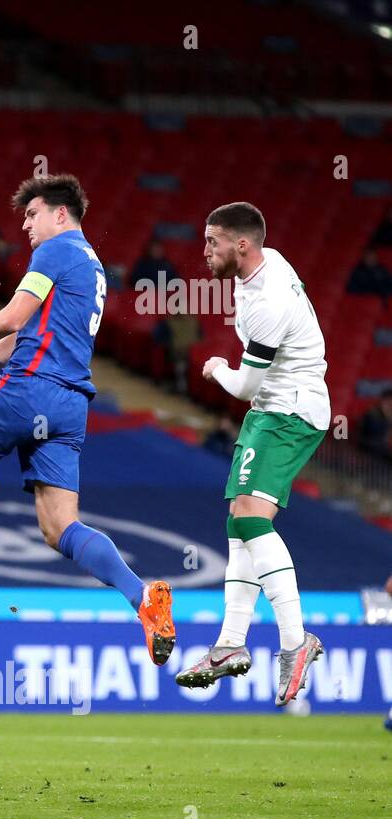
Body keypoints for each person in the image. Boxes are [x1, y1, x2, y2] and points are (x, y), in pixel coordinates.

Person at [0, 175, 178, 667]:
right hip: (71, 403)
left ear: (60, 214)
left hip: (32, 388)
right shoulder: (94, 266)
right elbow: (40, 327)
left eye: (32, 214)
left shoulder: (55, 252)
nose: (25, 225)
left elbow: (17, 317)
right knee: (60, 527)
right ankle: (140, 596)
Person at [174, 202, 329, 706]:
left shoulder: (267, 305)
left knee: (250, 519)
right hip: (272, 410)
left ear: (241, 244)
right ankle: (230, 645)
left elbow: (242, 386)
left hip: (288, 411)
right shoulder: (267, 262)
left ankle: (293, 640)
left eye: (212, 241)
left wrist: (216, 365)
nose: (205, 251)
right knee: (238, 521)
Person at [358, 388, 392, 459]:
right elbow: (373, 436)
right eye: (388, 403)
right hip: (370, 452)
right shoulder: (371, 416)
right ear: (382, 402)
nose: (390, 406)